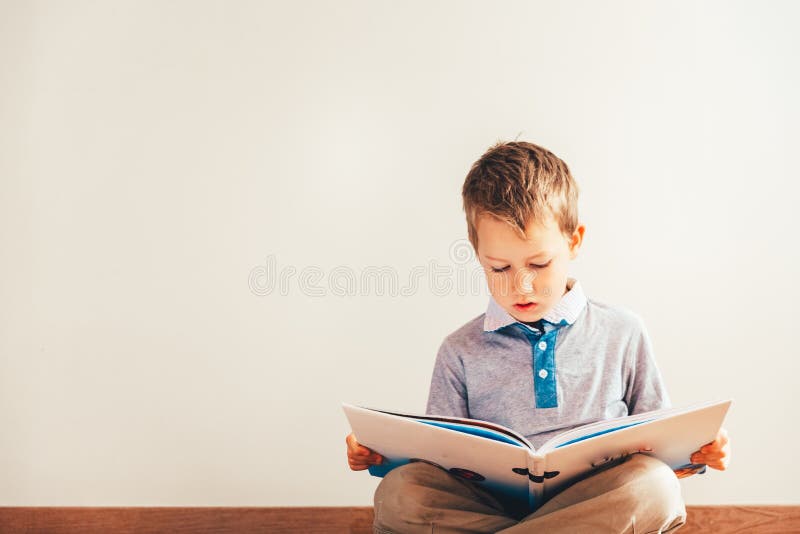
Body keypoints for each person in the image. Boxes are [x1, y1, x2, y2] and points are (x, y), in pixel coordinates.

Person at [345, 141, 731, 533]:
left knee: (655, 488)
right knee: (401, 492)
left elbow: (661, 449)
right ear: (477, 254)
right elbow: (437, 462)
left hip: (593, 507)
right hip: (490, 509)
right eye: (500, 268)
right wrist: (380, 454)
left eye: (539, 264)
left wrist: (699, 450)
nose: (522, 286)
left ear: (574, 241)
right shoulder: (458, 350)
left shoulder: (623, 331)